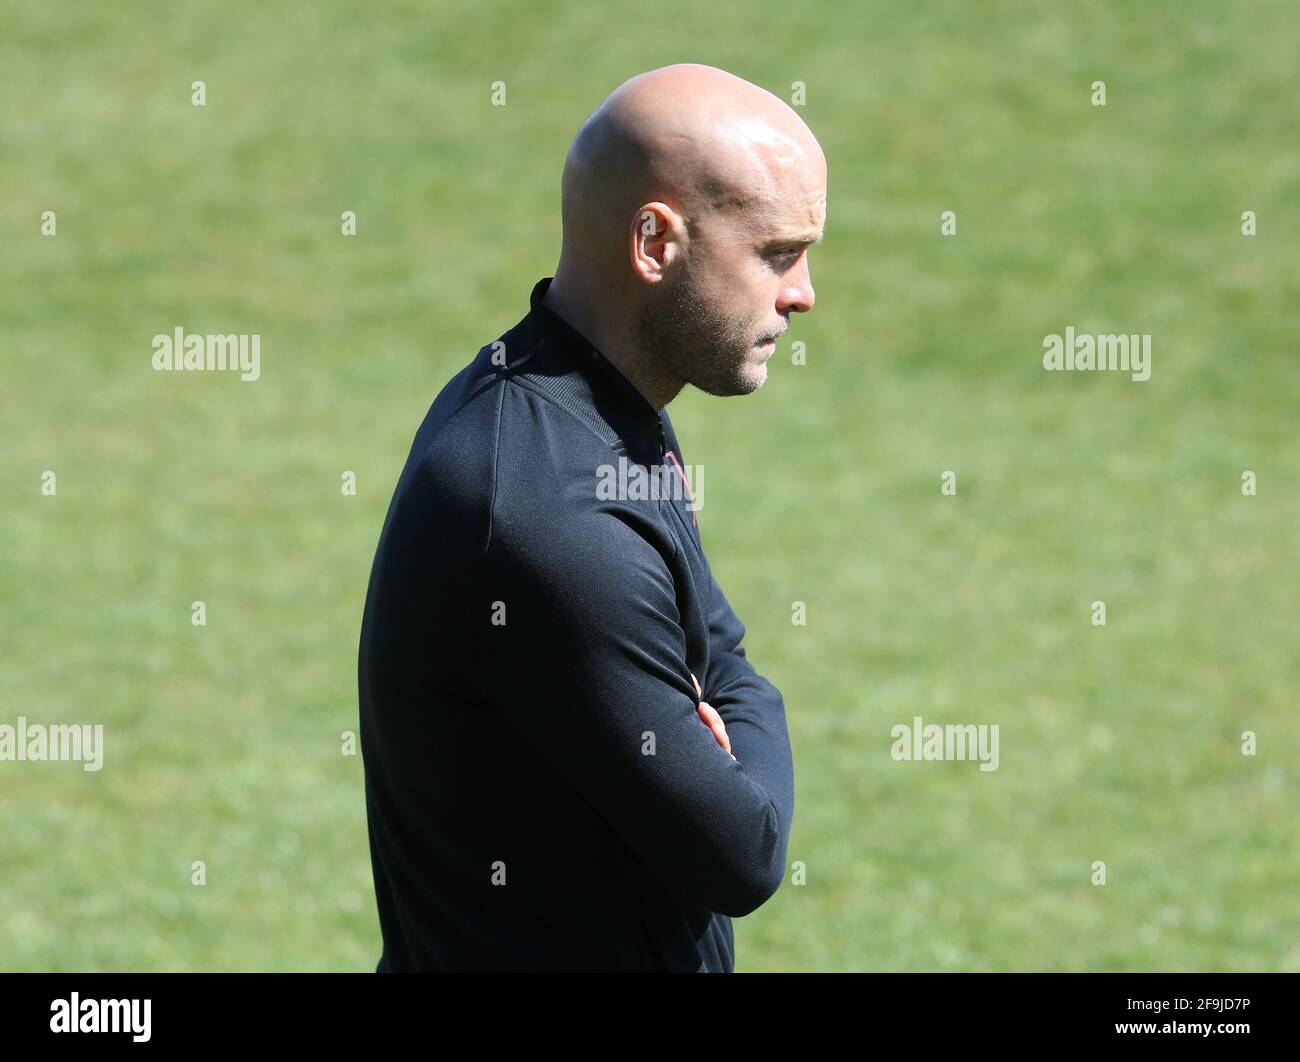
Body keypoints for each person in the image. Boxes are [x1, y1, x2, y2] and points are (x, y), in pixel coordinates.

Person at [358, 62, 826, 972]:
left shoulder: (576, 406)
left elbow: (721, 650)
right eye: (777, 253)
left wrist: (722, 701)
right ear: (654, 242)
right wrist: (716, 725)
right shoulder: (551, 515)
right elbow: (745, 849)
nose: (803, 293)